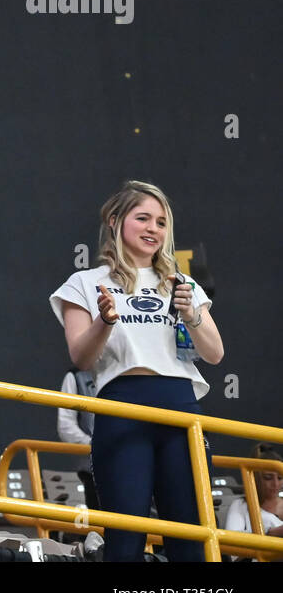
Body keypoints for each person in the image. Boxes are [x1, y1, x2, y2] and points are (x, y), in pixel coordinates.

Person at [51, 180, 224, 562]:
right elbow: (81, 358)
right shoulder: (84, 282)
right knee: (125, 537)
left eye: (162, 222)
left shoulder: (182, 282)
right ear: (115, 221)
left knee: (190, 536)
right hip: (122, 410)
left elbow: (214, 354)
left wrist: (193, 315)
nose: (153, 229)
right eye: (142, 218)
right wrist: (105, 322)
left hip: (181, 412)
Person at [57, 367, 101, 509]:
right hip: (92, 469)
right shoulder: (76, 376)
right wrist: (93, 444)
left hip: (130, 462)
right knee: (99, 523)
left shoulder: (128, 371)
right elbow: (65, 425)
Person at [224, 444, 283, 537]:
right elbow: (231, 537)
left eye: (280, 478)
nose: (275, 484)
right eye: (268, 478)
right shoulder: (240, 505)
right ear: (255, 478)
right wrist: (270, 532)